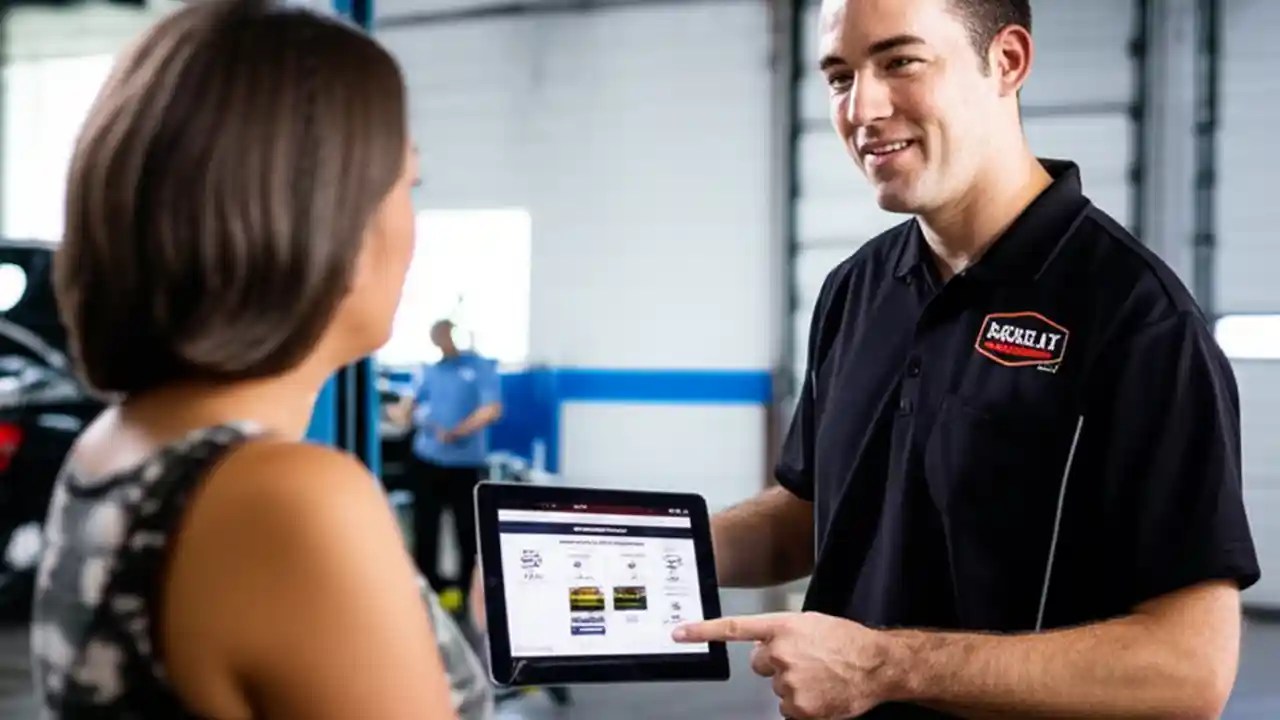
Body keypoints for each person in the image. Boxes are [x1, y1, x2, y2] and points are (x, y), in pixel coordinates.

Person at [674, 0, 1261, 718]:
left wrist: (884, 666)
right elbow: (811, 513)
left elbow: (1189, 670)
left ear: (1006, 62)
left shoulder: (1136, 319)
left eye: (900, 62)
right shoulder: (856, 288)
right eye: (838, 76)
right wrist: (640, 547)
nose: (862, 108)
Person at [30, 1, 473, 717]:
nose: (412, 227)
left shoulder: (122, 445)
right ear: (328, 221)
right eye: (407, 186)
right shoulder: (287, 498)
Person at [396, 319, 502, 613]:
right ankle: (426, 592)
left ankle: (468, 595)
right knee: (425, 528)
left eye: (445, 334)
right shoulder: (428, 371)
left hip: (464, 464)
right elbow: (408, 406)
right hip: (427, 460)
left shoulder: (480, 368)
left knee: (467, 530)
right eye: (436, 336)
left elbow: (491, 409)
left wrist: (459, 431)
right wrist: (404, 412)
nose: (441, 340)